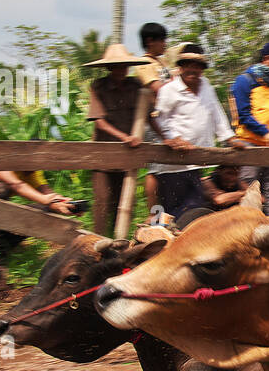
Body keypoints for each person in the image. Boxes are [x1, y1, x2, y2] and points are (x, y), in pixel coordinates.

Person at [149, 44, 247, 221]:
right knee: (172, 211)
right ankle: (161, 241)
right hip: (173, 164)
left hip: (196, 161)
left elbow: (216, 112)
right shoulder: (169, 90)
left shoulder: (206, 86)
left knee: (193, 208)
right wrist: (173, 139)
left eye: (197, 66)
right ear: (181, 67)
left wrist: (229, 137)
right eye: (188, 65)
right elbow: (158, 118)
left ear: (202, 69)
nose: (192, 69)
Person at [0, 169, 82, 295]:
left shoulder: (29, 170)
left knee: (48, 210)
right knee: (0, 189)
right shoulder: (1, 159)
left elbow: (45, 191)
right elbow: (15, 184)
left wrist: (62, 203)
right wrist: (46, 200)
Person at [83, 43, 150, 236]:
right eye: (116, 66)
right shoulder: (99, 87)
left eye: (124, 66)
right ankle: (98, 246)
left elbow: (148, 115)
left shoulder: (136, 87)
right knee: (103, 203)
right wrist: (125, 138)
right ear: (109, 68)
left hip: (128, 156)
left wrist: (166, 138)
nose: (121, 70)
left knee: (124, 203)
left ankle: (118, 244)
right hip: (103, 156)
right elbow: (99, 122)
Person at [230, 41, 269, 215]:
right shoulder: (245, 80)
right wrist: (268, 134)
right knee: (249, 191)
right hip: (249, 145)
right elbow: (244, 115)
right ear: (267, 59)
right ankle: (247, 229)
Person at [134, 23, 174, 215]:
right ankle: (154, 214)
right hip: (154, 121)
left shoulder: (161, 63)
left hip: (168, 122)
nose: (165, 44)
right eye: (162, 40)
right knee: (155, 171)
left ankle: (165, 213)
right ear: (150, 41)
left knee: (167, 169)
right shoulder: (144, 64)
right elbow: (159, 88)